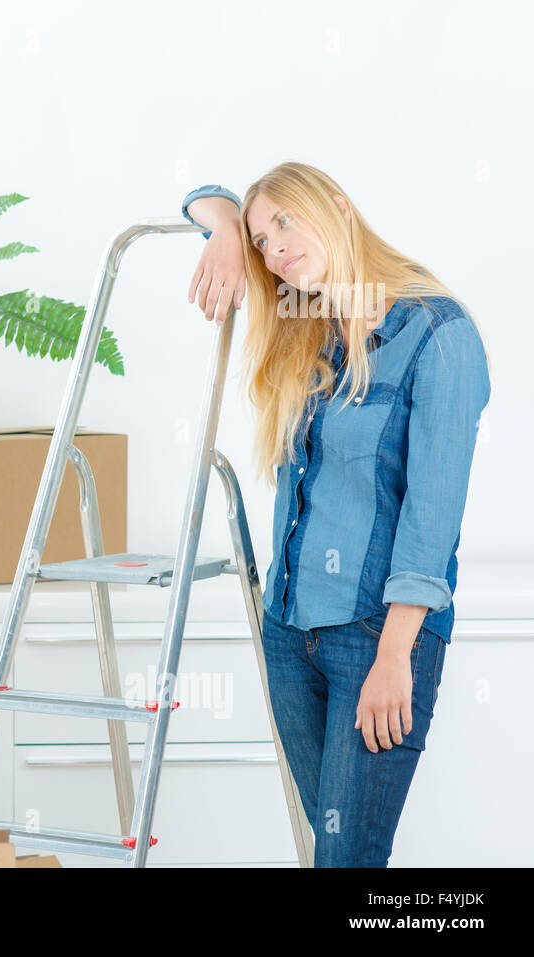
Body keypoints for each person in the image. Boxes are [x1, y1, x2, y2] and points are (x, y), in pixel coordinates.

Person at [181, 163, 491, 867]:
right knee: (327, 851)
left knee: (347, 861)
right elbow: (196, 188)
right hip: (289, 633)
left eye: (285, 222)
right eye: (262, 241)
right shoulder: (308, 322)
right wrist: (226, 225)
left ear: (340, 207)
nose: (274, 250)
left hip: (377, 638)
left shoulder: (438, 333)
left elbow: (433, 518)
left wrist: (394, 657)